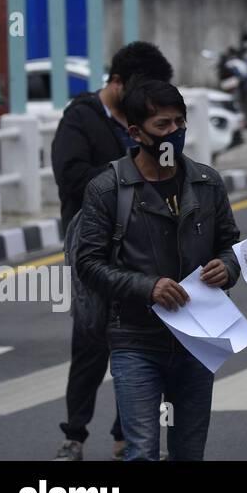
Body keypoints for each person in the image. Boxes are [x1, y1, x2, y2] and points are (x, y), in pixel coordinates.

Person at [74, 79, 239, 462]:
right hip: (135, 341)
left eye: (180, 123)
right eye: (162, 126)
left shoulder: (206, 182)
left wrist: (227, 266)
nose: (174, 133)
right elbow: (88, 263)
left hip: (199, 339)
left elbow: (231, 242)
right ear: (135, 133)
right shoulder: (107, 189)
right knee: (142, 452)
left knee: (188, 452)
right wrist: (147, 287)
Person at [51, 41, 173, 461]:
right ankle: (75, 436)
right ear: (117, 81)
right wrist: (127, 172)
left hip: (140, 245)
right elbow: (70, 177)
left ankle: (126, 436)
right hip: (90, 243)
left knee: (134, 338)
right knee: (90, 339)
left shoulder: (143, 119)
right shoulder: (81, 117)